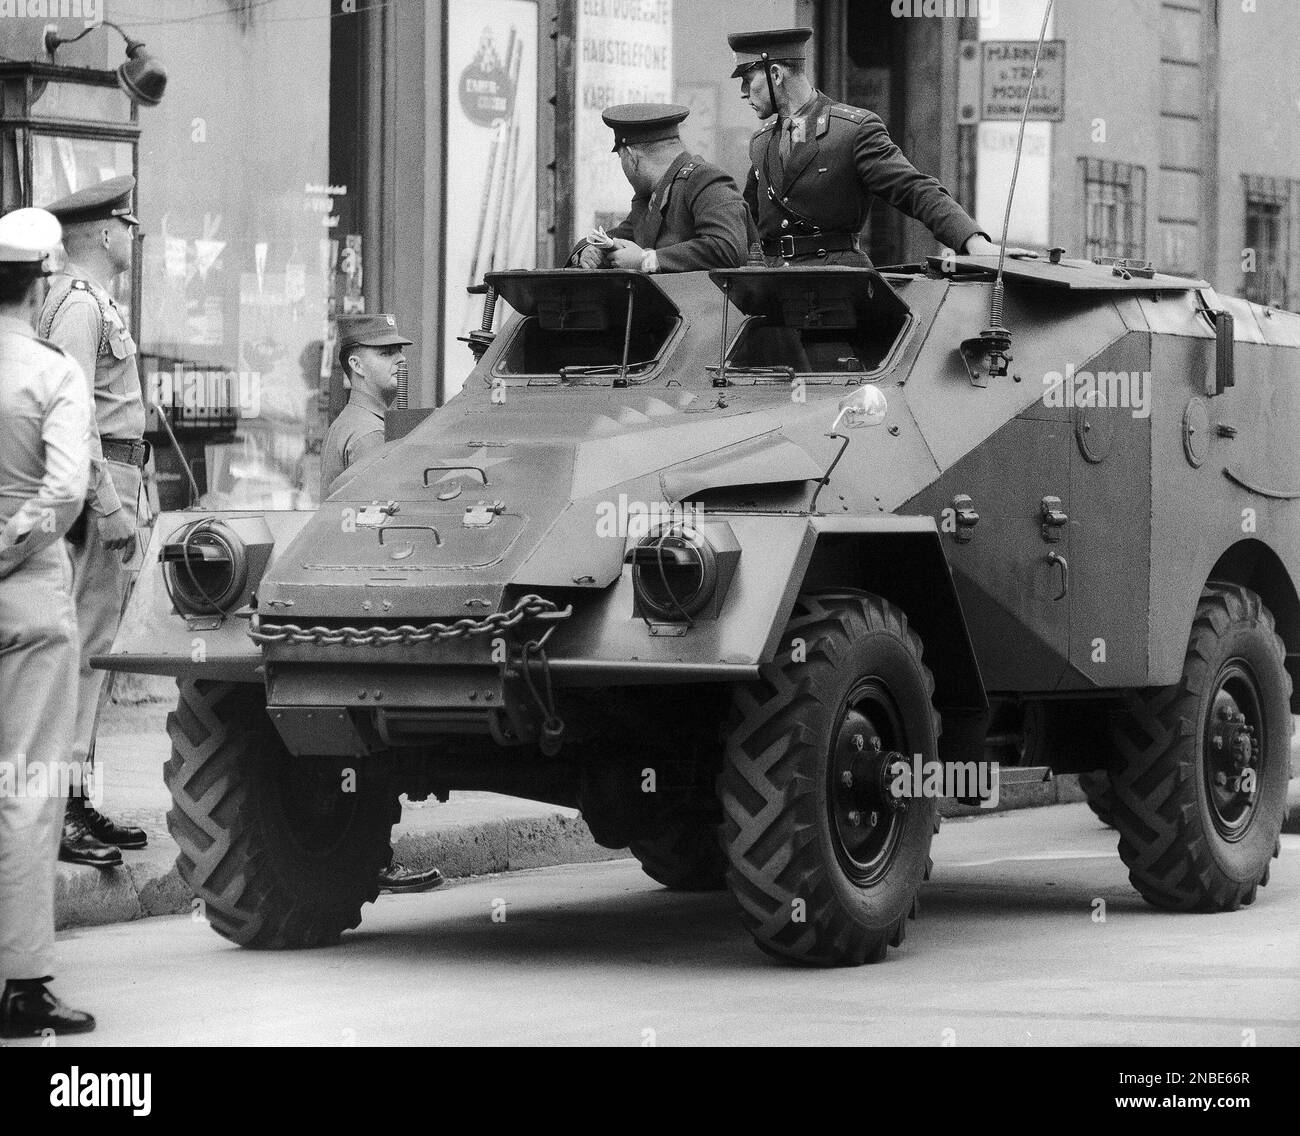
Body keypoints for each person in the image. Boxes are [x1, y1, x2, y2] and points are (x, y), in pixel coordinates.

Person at [0, 206, 97, 1038]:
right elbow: (66, 489)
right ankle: (22, 984)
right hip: (27, 597)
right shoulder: (52, 371)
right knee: (26, 788)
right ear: (40, 285)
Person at [39, 175, 151, 869]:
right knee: (80, 656)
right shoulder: (80, 307)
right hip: (96, 491)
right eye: (128, 225)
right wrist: (110, 509)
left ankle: (76, 799)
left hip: (116, 479)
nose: (134, 236)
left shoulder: (91, 302)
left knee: (92, 653)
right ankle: (60, 811)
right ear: (105, 233)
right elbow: (72, 419)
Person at [321, 313, 445, 895]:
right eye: (385, 350)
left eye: (402, 348)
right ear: (354, 365)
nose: (400, 358)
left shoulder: (358, 423)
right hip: (368, 599)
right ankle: (373, 859)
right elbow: (376, 524)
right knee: (373, 741)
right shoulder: (368, 433)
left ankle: (368, 857)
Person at [727, 27, 999, 266]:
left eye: (747, 80)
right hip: (776, 298)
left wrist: (973, 241)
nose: (742, 91)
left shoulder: (852, 131)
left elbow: (915, 189)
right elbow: (748, 224)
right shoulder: (761, 143)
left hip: (840, 290)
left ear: (775, 74)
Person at [568, 103, 749, 273]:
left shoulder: (705, 179)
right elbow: (617, 236)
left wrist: (647, 260)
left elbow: (728, 248)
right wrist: (590, 250)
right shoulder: (654, 195)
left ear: (632, 157)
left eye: (621, 158)